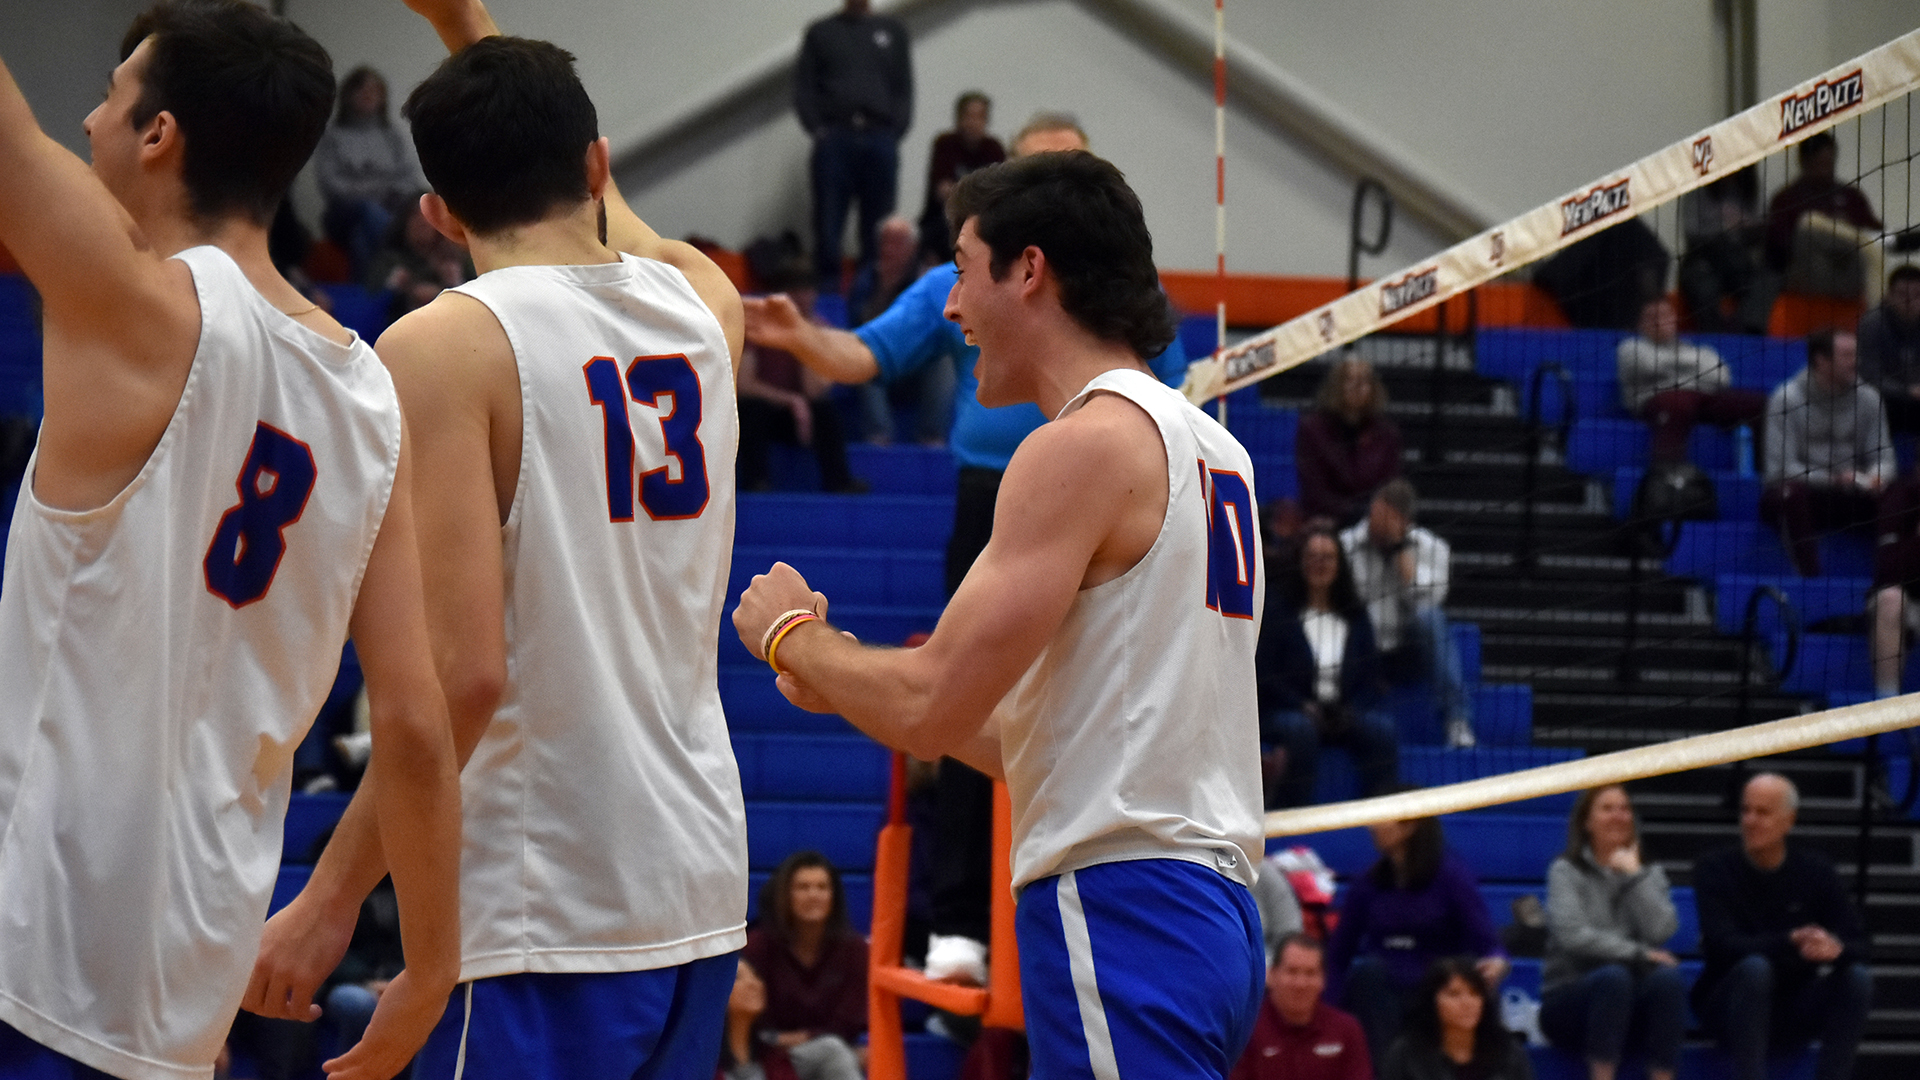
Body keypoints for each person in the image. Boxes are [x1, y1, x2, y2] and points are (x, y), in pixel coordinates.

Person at [246, 3, 750, 1077]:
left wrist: (327, 901)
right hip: (700, 881)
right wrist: (471, 23)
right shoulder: (705, 307)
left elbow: (463, 679)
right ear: (598, 160)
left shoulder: (445, 345)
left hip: (546, 896)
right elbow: (635, 235)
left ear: (435, 210)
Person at [0, 2, 462, 1078]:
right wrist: (430, 967)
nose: (89, 120)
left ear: (159, 136)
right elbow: (414, 717)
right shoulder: (368, 401)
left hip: (39, 945)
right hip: (193, 972)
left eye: (111, 102)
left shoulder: (136, 307)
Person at [733, 149, 1265, 1079]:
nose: (950, 305)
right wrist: (847, 677)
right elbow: (1029, 735)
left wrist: (793, 636)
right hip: (1207, 912)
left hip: (1122, 903)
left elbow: (931, 705)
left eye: (964, 268)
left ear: (1030, 269)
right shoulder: (1217, 448)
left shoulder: (1083, 446)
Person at [1691, 773, 1873, 1080]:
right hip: (1727, 1006)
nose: (1750, 820)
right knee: (1755, 969)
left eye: (1762, 812)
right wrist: (1790, 939)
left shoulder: (1815, 871)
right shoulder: (1714, 868)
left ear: (1788, 821)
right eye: (1745, 810)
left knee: (1856, 978)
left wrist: (1834, 949)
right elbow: (1724, 945)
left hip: (1791, 1007)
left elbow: (1862, 943)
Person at [1325, 813, 1507, 1065]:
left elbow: (1487, 944)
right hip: (1384, 992)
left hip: (1436, 989)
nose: (1371, 826)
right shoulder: (1367, 884)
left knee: (1464, 987)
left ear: (1409, 825)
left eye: (1380, 816)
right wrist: (1325, 1010)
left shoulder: (1451, 876)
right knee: (1367, 975)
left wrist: (1496, 961)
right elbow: (1338, 954)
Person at [1540, 785, 1685, 1080]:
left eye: (1624, 808)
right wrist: (1637, 953)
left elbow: (1661, 931)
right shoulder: (1565, 870)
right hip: (1570, 1000)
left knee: (1667, 982)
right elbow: (1572, 936)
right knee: (1613, 978)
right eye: (1607, 808)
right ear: (1586, 822)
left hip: (1629, 1005)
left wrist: (1634, 878)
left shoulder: (1647, 873)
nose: (1619, 816)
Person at [1256, 525, 1399, 807]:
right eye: (1312, 556)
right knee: (1300, 730)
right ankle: (1293, 817)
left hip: (1342, 714)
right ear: (1301, 562)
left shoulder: (1356, 618)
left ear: (1339, 565)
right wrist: (1301, 705)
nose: (1319, 564)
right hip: (1289, 711)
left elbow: (1372, 678)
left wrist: (1352, 710)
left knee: (1382, 730)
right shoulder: (1279, 612)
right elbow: (1264, 674)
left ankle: (1381, 815)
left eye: (1328, 557)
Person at [1342, 479, 1476, 748]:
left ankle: (1457, 721)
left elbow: (1430, 600)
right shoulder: (1345, 546)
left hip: (1407, 652)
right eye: (1374, 515)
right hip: (1360, 651)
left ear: (1405, 522)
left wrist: (1399, 549)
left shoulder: (1434, 549)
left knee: (1431, 618)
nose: (1375, 526)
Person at [795, 0, 912, 292]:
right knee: (828, 225)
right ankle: (828, 299)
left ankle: (870, 301)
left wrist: (894, 130)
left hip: (880, 138)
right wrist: (819, 129)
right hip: (836, 139)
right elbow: (804, 87)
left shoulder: (892, 31)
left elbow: (903, 87)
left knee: (878, 229)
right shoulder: (821, 32)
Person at [1760, 327, 1894, 576]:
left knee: (1900, 495)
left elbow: (1884, 457)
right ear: (1821, 361)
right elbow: (1779, 469)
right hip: (1808, 494)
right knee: (1789, 494)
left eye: (1856, 355)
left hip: (1852, 494)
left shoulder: (1870, 398)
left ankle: (1889, 583)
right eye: (1846, 356)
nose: (1855, 362)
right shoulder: (1786, 399)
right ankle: (1810, 580)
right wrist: (1832, 480)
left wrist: (1876, 476)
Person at [742, 853, 869, 1080]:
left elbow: (848, 1025)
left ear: (834, 896)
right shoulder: (757, 946)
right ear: (784, 895)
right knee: (836, 1051)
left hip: (822, 1054)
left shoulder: (855, 949)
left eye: (822, 887)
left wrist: (788, 1039)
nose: (814, 895)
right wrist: (787, 1039)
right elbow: (754, 1029)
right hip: (762, 1058)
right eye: (802, 887)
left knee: (834, 1051)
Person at [739, 271, 864, 493]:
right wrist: (792, 400)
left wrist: (805, 337)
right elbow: (744, 385)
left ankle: (839, 482)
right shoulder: (758, 328)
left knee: (826, 412)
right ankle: (756, 482)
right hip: (769, 408)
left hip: (802, 417)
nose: (802, 299)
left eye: (807, 292)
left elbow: (814, 390)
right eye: (795, 293)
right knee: (750, 410)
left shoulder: (821, 329)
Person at [1616, 296, 1765, 466]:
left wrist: (1674, 368)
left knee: (1761, 404)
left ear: (1674, 319)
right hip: (1659, 401)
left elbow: (1722, 377)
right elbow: (1649, 365)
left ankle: (1765, 475)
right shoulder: (1630, 347)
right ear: (1640, 323)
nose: (1659, 321)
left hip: (1701, 400)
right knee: (1677, 401)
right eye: (1652, 317)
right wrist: (1695, 369)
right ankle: (1665, 475)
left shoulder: (1698, 350)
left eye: (1665, 315)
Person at [847, 215, 953, 446]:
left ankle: (931, 436)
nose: (890, 249)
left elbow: (943, 327)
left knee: (944, 361)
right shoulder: (868, 278)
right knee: (862, 358)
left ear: (913, 247)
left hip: (917, 366)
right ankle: (879, 436)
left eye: (898, 242)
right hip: (883, 364)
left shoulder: (928, 278)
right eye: (886, 242)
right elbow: (859, 329)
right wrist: (883, 290)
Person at [314, 65, 424, 279]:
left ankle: (373, 295)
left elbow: (410, 180)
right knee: (368, 210)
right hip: (344, 213)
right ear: (348, 95)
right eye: (361, 89)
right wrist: (381, 188)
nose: (367, 94)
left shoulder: (392, 136)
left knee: (361, 237)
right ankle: (406, 266)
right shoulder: (333, 136)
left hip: (388, 210)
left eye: (374, 90)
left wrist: (379, 191)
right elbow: (331, 185)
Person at [1230, 934, 1372, 1080]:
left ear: (1323, 980)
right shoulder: (1246, 1031)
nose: (1301, 984)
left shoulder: (1347, 1031)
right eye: (1292, 971)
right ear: (1271, 975)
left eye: (1310, 973)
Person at [1766, 132, 1885, 302]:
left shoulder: (1850, 196)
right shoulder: (1786, 199)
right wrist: (1825, 232)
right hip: (1807, 273)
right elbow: (1778, 247)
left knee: (1872, 251)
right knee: (1809, 222)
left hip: (1847, 271)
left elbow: (1876, 230)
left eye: (1828, 163)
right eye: (1819, 163)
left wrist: (1844, 229)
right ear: (1804, 162)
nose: (1825, 169)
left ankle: (1876, 318)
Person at [1380, 958, 1535, 1080]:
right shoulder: (1405, 1054)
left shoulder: (1508, 1051)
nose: (1467, 1003)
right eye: (1454, 994)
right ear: (1432, 1001)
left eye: (1474, 994)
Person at [1297, 356, 1403, 527]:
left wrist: (1370, 515)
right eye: (1350, 380)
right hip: (1327, 521)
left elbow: (1390, 486)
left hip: (1373, 524)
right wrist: (1348, 514)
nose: (1357, 387)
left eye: (1364, 381)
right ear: (1336, 386)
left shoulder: (1387, 434)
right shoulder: (1313, 429)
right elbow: (1314, 488)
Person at [1679, 165, 1777, 335]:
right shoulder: (1698, 190)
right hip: (1704, 261)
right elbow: (1692, 233)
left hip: (1738, 262)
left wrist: (1746, 226)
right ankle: (1714, 340)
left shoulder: (1749, 190)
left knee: (1769, 277)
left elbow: (1763, 230)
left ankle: (1747, 334)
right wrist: (1724, 228)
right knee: (1705, 287)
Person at [919, 90, 1005, 265]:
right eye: (969, 116)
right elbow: (942, 191)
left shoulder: (994, 148)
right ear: (959, 118)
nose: (973, 123)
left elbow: (1000, 194)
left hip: (982, 222)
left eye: (979, 117)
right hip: (942, 222)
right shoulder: (945, 144)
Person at [366, 196, 471, 324]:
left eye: (427, 219)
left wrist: (455, 283)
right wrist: (394, 286)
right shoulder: (389, 260)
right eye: (415, 217)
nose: (421, 224)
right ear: (405, 222)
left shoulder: (454, 260)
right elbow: (368, 297)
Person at [1857, 264, 1920, 434]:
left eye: (1917, 296)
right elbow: (1869, 376)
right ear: (1889, 296)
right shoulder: (1873, 323)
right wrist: (1907, 391)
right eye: (1902, 295)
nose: (1909, 302)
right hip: (1886, 402)